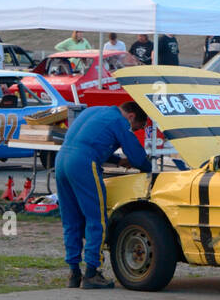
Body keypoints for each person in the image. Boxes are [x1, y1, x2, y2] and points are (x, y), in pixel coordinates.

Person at [55, 101, 150, 289]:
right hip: (83, 163)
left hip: (61, 161)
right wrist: (151, 170)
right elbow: (138, 158)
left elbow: (90, 142)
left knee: (71, 220)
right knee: (96, 219)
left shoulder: (93, 111)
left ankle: (74, 274)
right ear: (131, 117)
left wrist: (117, 160)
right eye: (136, 128)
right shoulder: (120, 121)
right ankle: (92, 273)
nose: (134, 131)